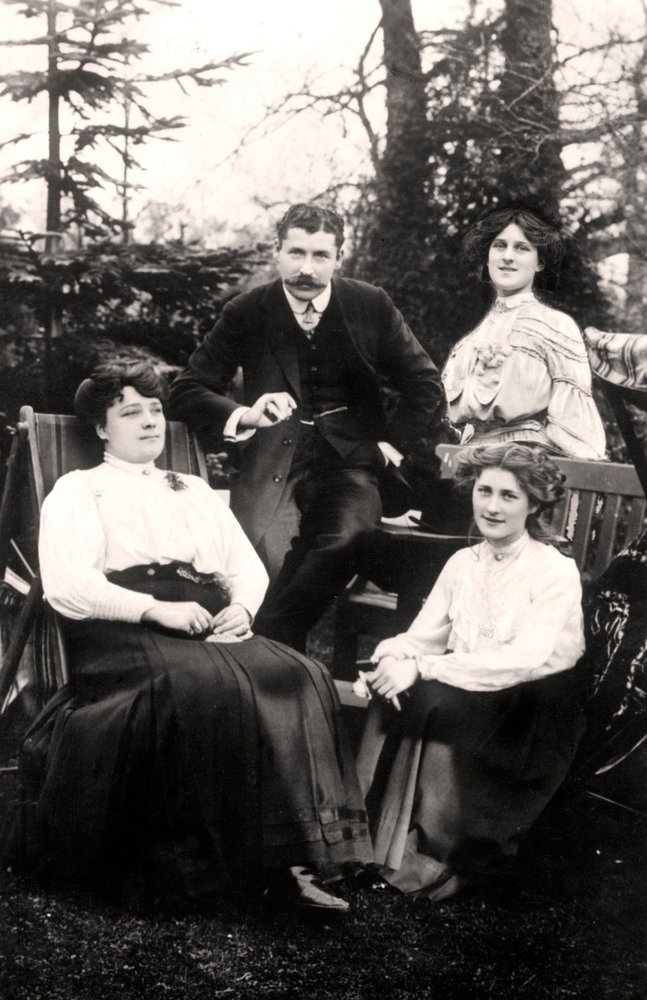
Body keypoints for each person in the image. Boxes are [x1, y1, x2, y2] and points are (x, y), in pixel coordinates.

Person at [6, 362, 373, 912]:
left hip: (202, 618)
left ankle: (291, 855)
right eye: (131, 412)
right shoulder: (78, 490)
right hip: (118, 631)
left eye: (155, 409)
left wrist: (243, 608)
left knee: (300, 673)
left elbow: (245, 567)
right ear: (102, 429)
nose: (151, 421)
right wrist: (154, 609)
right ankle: (221, 870)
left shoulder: (194, 488)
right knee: (206, 687)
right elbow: (67, 586)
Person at [167, 202, 445, 652]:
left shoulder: (369, 304)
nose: (307, 269)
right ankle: (273, 660)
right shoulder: (248, 311)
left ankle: (266, 645)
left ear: (339, 257)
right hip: (275, 461)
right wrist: (246, 415)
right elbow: (187, 389)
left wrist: (391, 445)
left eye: (320, 256)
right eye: (296, 253)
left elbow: (425, 384)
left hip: (352, 464)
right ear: (275, 252)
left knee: (348, 537)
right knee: (256, 563)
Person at [354, 444, 587, 900]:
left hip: (534, 702)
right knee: (395, 692)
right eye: (485, 491)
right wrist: (394, 657)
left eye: (508, 496)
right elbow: (426, 634)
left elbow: (523, 659)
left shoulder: (555, 571)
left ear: (534, 504)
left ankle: (430, 856)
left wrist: (421, 668)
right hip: (473, 680)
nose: (492, 507)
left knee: (434, 701)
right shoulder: (463, 562)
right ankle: (363, 841)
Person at [442, 206, 606, 459]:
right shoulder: (469, 341)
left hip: (525, 461)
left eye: (522, 248)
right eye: (500, 245)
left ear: (539, 262)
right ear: (487, 257)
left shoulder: (556, 326)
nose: (508, 256)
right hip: (467, 460)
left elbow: (577, 426)